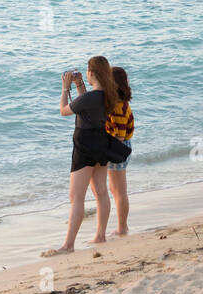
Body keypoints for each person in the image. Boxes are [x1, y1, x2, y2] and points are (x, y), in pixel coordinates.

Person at [42, 55, 131, 257]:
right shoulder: (107, 95)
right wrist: (80, 83)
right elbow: (86, 103)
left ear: (92, 73)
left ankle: (68, 245)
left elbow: (64, 111)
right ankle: (100, 235)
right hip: (101, 144)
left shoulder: (92, 97)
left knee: (76, 196)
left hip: (84, 146)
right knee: (100, 191)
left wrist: (65, 88)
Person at [105, 66, 134, 237]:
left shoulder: (117, 105)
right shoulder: (120, 102)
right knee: (116, 188)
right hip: (121, 147)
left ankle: (122, 228)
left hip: (118, 148)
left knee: (119, 190)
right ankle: (121, 226)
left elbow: (120, 135)